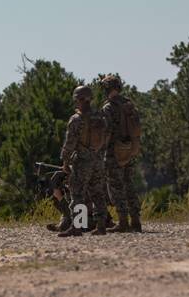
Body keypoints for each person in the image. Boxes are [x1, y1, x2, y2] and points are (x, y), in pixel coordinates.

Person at [57, 85, 108, 237]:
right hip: (98, 161)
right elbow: (105, 139)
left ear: (78, 99)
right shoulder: (100, 117)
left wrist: (65, 162)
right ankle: (101, 226)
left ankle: (77, 227)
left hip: (83, 162)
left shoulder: (76, 119)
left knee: (77, 193)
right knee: (98, 193)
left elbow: (69, 144)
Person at [99, 73, 142, 232]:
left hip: (113, 153)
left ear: (107, 89)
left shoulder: (108, 107)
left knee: (116, 186)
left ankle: (123, 221)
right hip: (129, 151)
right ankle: (136, 221)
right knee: (129, 185)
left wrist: (100, 149)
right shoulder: (129, 105)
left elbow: (106, 132)